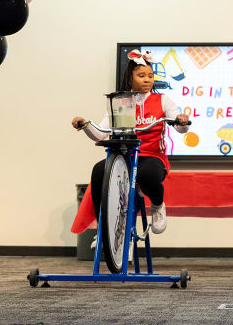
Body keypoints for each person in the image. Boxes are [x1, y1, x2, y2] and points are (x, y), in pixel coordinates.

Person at [72, 51, 191, 235]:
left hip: (152, 156)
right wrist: (86, 125)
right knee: (98, 171)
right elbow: (100, 134)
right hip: (124, 156)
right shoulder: (121, 102)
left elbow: (180, 127)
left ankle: (158, 206)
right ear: (130, 77)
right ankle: (103, 228)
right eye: (141, 75)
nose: (147, 80)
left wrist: (182, 121)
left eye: (150, 76)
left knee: (147, 174)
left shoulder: (162, 100)